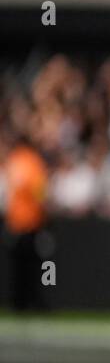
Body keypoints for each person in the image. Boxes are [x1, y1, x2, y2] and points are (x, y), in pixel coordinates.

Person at [3, 131, 50, 311]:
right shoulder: (33, 161)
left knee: (17, 269)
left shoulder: (13, 161)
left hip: (15, 222)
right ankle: (33, 303)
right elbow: (40, 193)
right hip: (31, 222)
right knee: (37, 269)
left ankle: (18, 303)